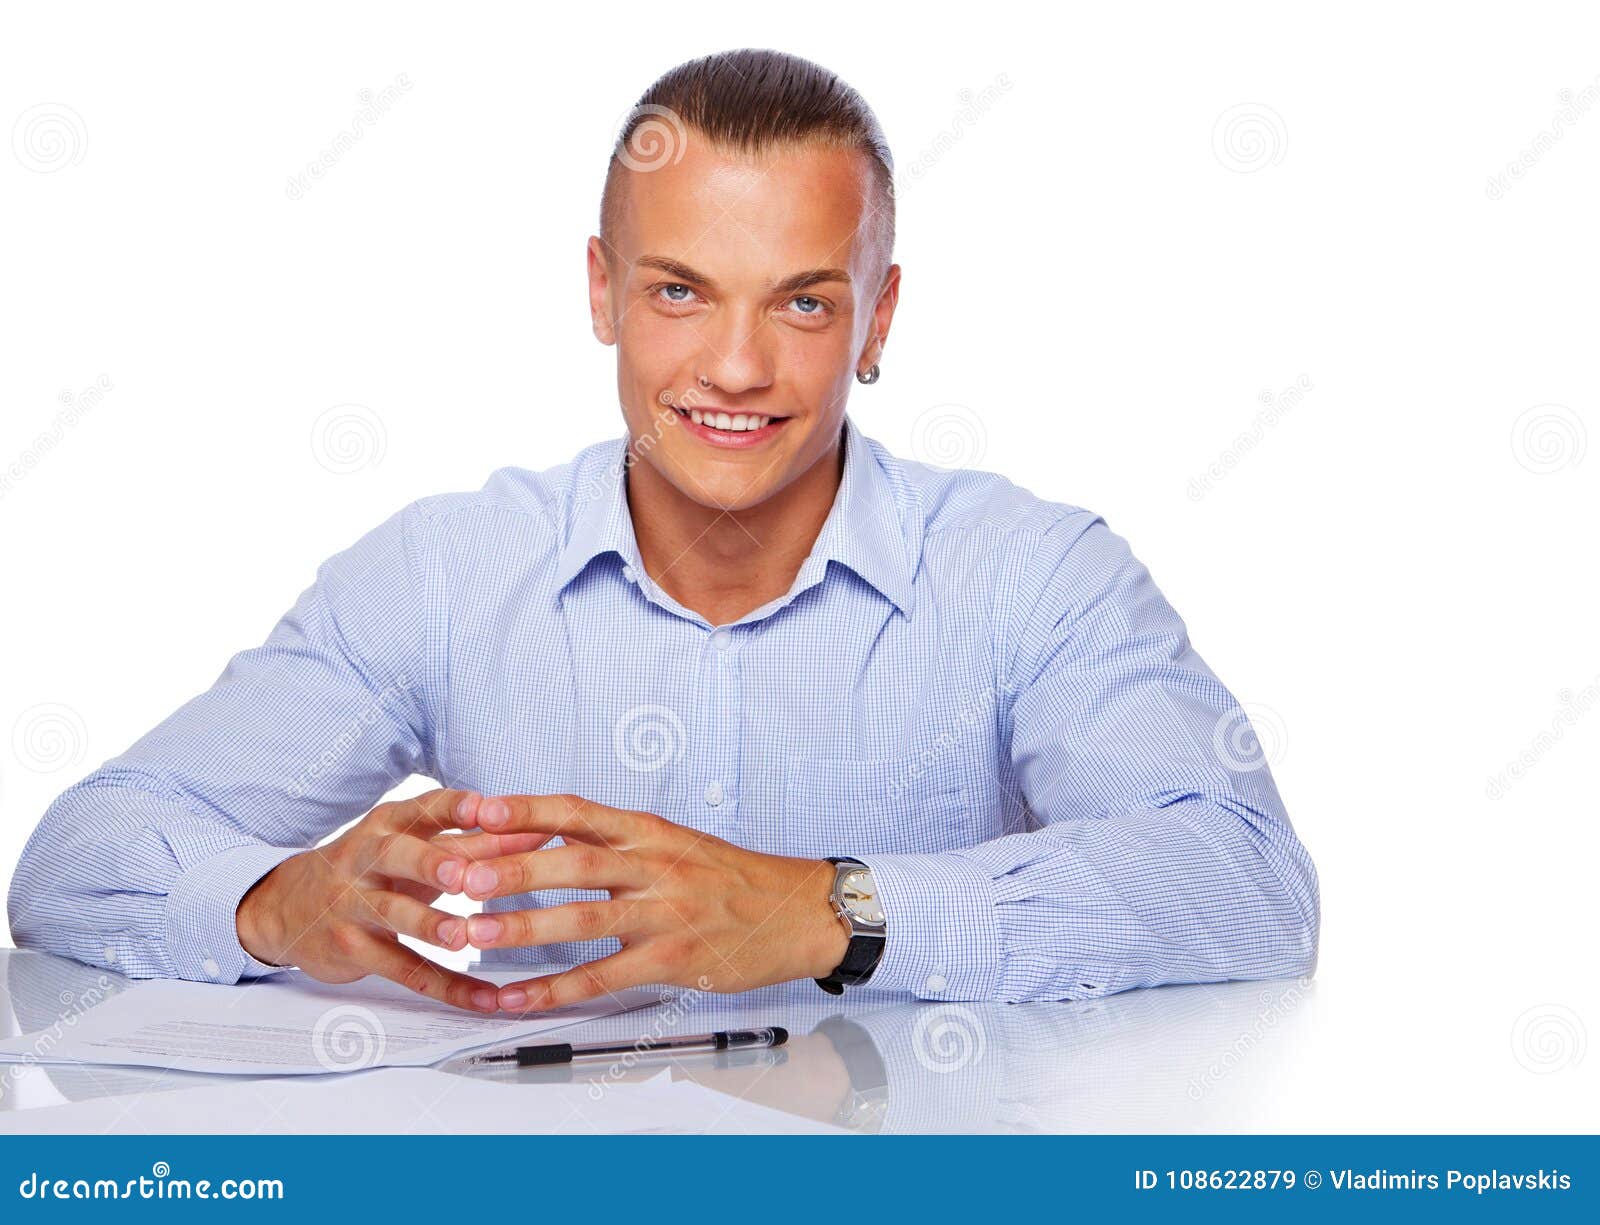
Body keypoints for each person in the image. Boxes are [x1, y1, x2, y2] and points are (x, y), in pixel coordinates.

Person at [7, 49, 1319, 1015]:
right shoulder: (450, 573)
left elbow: (1248, 876)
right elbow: (80, 851)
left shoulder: (1033, 576)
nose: (735, 367)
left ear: (877, 319)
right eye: (681, 291)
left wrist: (829, 910)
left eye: (803, 304)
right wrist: (272, 903)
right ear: (602, 293)